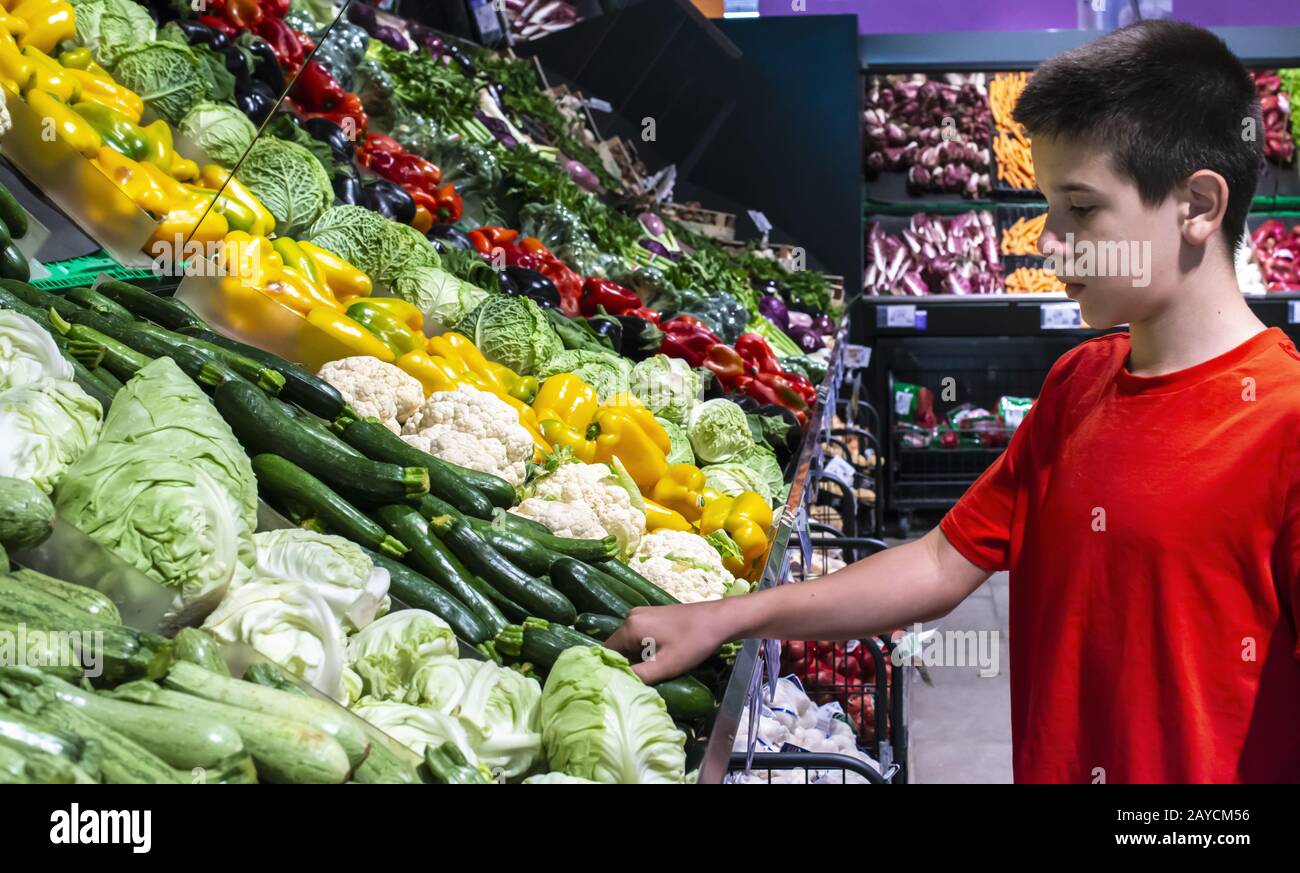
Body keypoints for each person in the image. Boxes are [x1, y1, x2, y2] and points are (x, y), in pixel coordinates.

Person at [607, 20, 1300, 783]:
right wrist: (726, 616)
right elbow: (941, 561)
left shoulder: (1283, 427)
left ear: (1198, 205)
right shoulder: (1077, 385)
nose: (1047, 240)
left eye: (1082, 207)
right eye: (1046, 205)